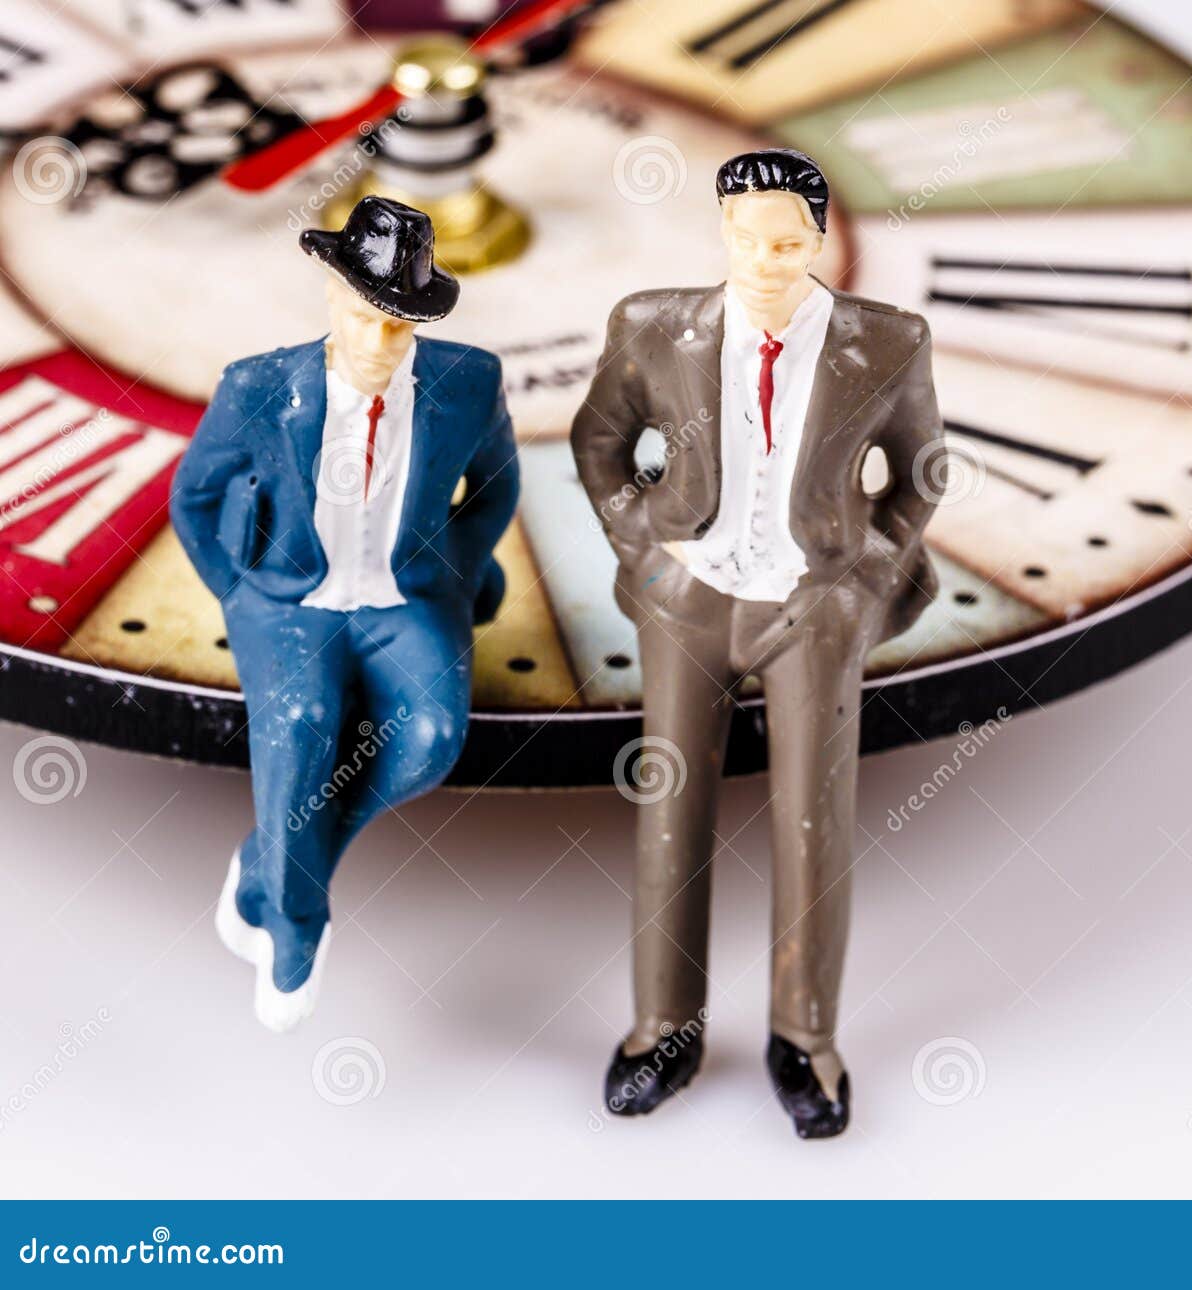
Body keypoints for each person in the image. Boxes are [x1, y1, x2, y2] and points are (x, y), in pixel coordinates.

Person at [572, 148, 945, 1138]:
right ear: (721, 235)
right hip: (689, 594)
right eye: (748, 240)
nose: (768, 261)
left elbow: (923, 470)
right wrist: (641, 548)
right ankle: (662, 1029)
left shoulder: (887, 342)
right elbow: (599, 442)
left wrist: (864, 581)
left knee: (812, 824)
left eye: (787, 243)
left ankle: (805, 1039)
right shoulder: (654, 326)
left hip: (809, 604)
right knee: (668, 812)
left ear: (820, 240)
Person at [171, 197, 518, 1032]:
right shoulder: (257, 384)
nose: (375, 344)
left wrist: (454, 570)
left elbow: (497, 488)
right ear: (332, 294)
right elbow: (193, 495)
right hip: (289, 604)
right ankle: (294, 922)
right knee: (300, 720)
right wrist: (239, 590)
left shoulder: (467, 381)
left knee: (431, 739)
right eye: (363, 318)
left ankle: (272, 860)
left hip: (404, 598)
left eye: (396, 328)